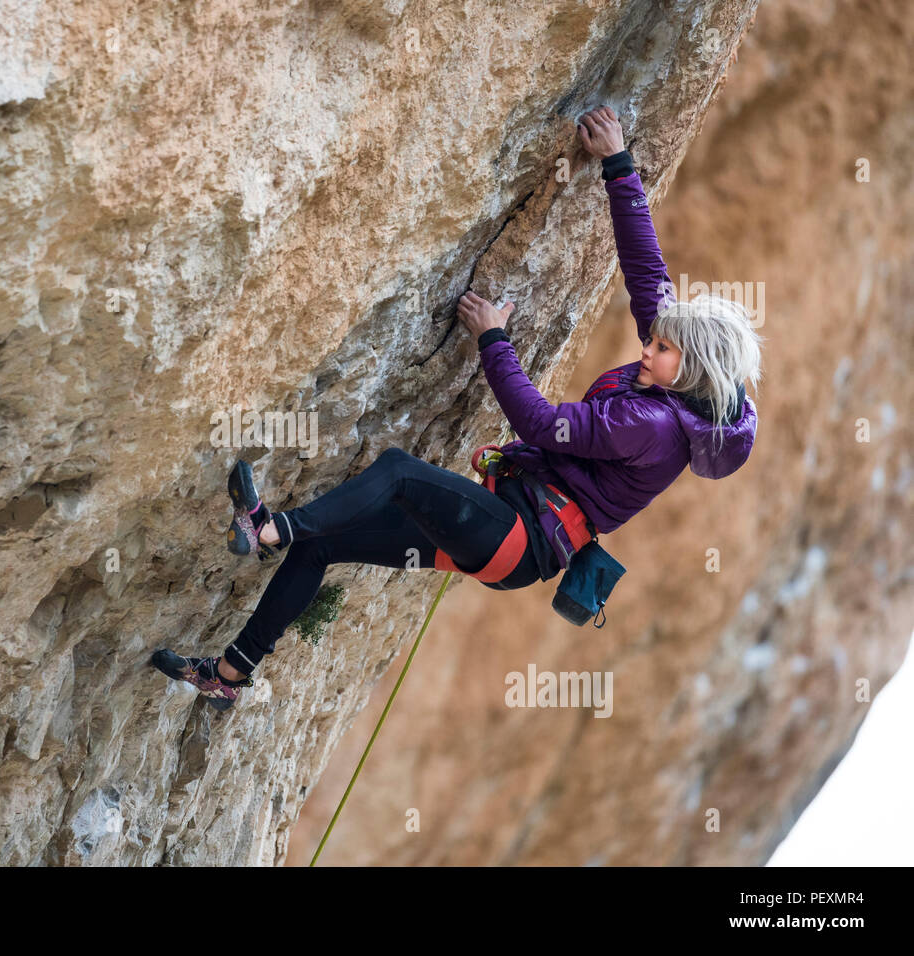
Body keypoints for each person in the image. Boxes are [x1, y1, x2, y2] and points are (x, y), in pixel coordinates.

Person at [152, 106, 763, 711]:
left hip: (516, 539)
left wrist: (494, 339)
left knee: (396, 471)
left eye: (659, 348)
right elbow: (647, 271)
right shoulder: (677, 380)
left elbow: (540, 424)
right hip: (507, 524)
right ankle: (231, 673)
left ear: (693, 371)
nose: (645, 347)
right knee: (324, 545)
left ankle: (269, 528)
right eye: (653, 338)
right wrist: (618, 163)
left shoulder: (651, 427)